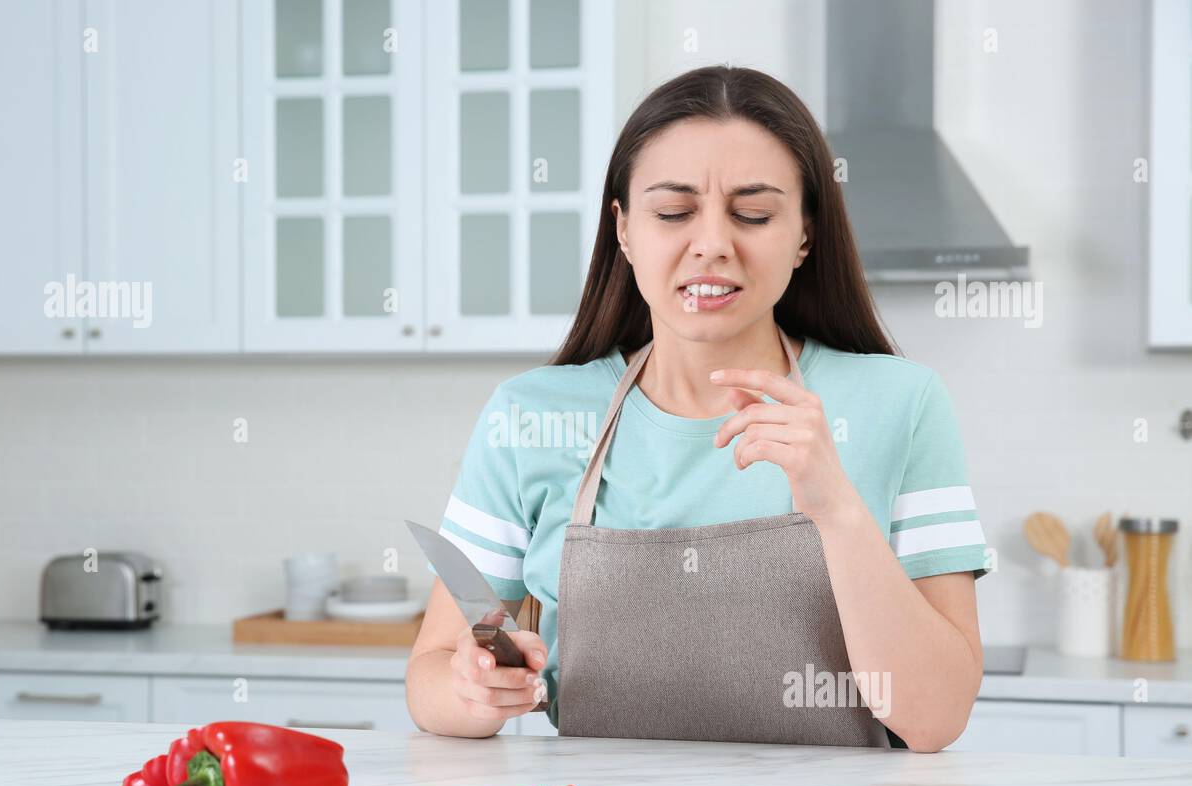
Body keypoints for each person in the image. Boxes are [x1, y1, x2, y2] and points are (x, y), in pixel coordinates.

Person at [406, 65, 987, 751]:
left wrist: (835, 507)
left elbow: (936, 717)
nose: (711, 243)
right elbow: (432, 673)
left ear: (804, 234)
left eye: (753, 214)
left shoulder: (901, 403)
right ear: (623, 231)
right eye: (674, 212)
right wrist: (476, 692)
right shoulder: (530, 416)